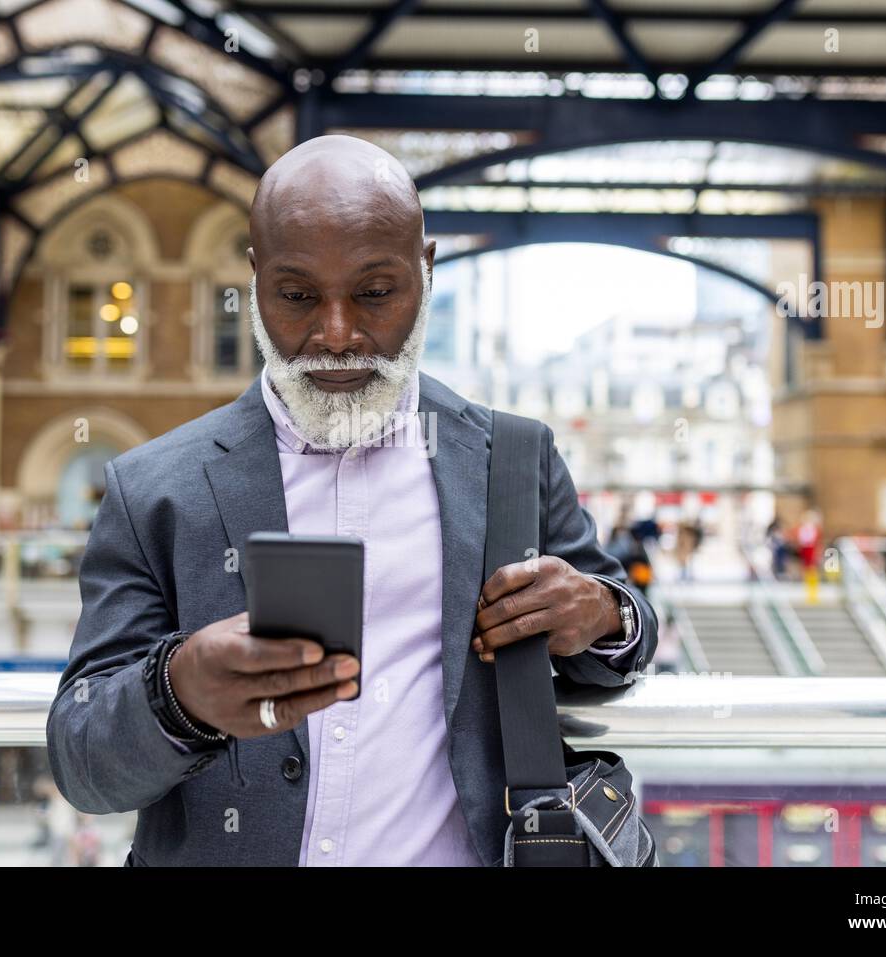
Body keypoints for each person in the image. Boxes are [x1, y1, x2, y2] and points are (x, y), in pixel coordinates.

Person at [47, 134, 658, 867]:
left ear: (425, 273)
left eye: (374, 292)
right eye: (298, 296)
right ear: (254, 279)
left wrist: (602, 611)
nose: (336, 335)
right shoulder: (153, 489)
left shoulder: (511, 462)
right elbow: (83, 759)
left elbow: (621, 626)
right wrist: (178, 693)